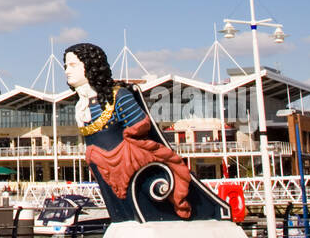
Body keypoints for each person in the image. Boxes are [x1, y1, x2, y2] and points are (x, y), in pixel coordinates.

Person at [63, 42, 230, 224]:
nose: (67, 71)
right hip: (100, 162)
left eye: (73, 65)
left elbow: (140, 124)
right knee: (117, 206)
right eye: (66, 66)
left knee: (133, 192)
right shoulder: (80, 104)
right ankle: (122, 220)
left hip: (124, 159)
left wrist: (128, 139)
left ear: (91, 65)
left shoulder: (119, 96)